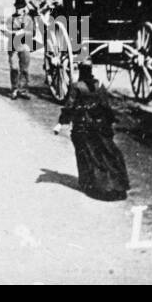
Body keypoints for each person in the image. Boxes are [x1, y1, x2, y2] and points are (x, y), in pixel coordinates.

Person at [54, 63, 129, 201]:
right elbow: (106, 106)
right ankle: (117, 186)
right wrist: (110, 122)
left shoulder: (76, 86)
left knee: (86, 155)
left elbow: (69, 106)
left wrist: (60, 123)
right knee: (107, 152)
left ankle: (91, 185)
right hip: (100, 125)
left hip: (83, 126)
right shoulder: (99, 84)